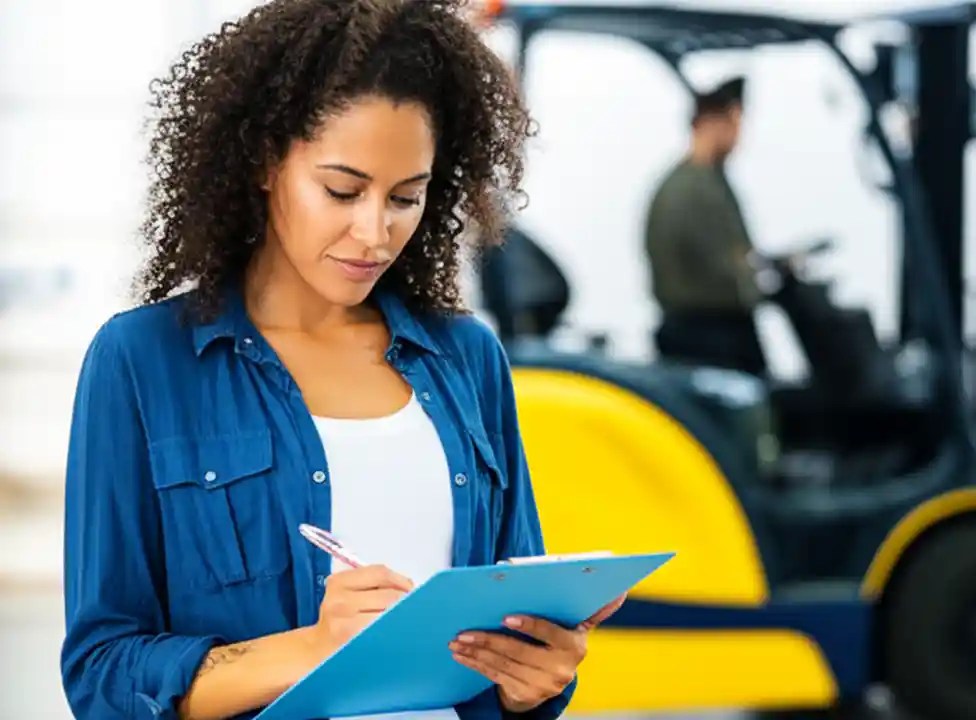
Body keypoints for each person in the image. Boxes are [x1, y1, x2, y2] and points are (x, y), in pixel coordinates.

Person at [59, 2, 623, 719]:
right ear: (266, 161)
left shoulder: (468, 357)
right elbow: (102, 675)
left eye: (406, 197)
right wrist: (312, 648)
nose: (375, 232)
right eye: (342, 191)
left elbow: (517, 653)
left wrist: (536, 678)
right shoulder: (144, 362)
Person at [644, 76, 768, 377]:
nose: (739, 135)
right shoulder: (691, 189)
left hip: (713, 331)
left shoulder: (707, 182)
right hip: (708, 336)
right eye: (735, 123)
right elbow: (726, 265)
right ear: (713, 121)